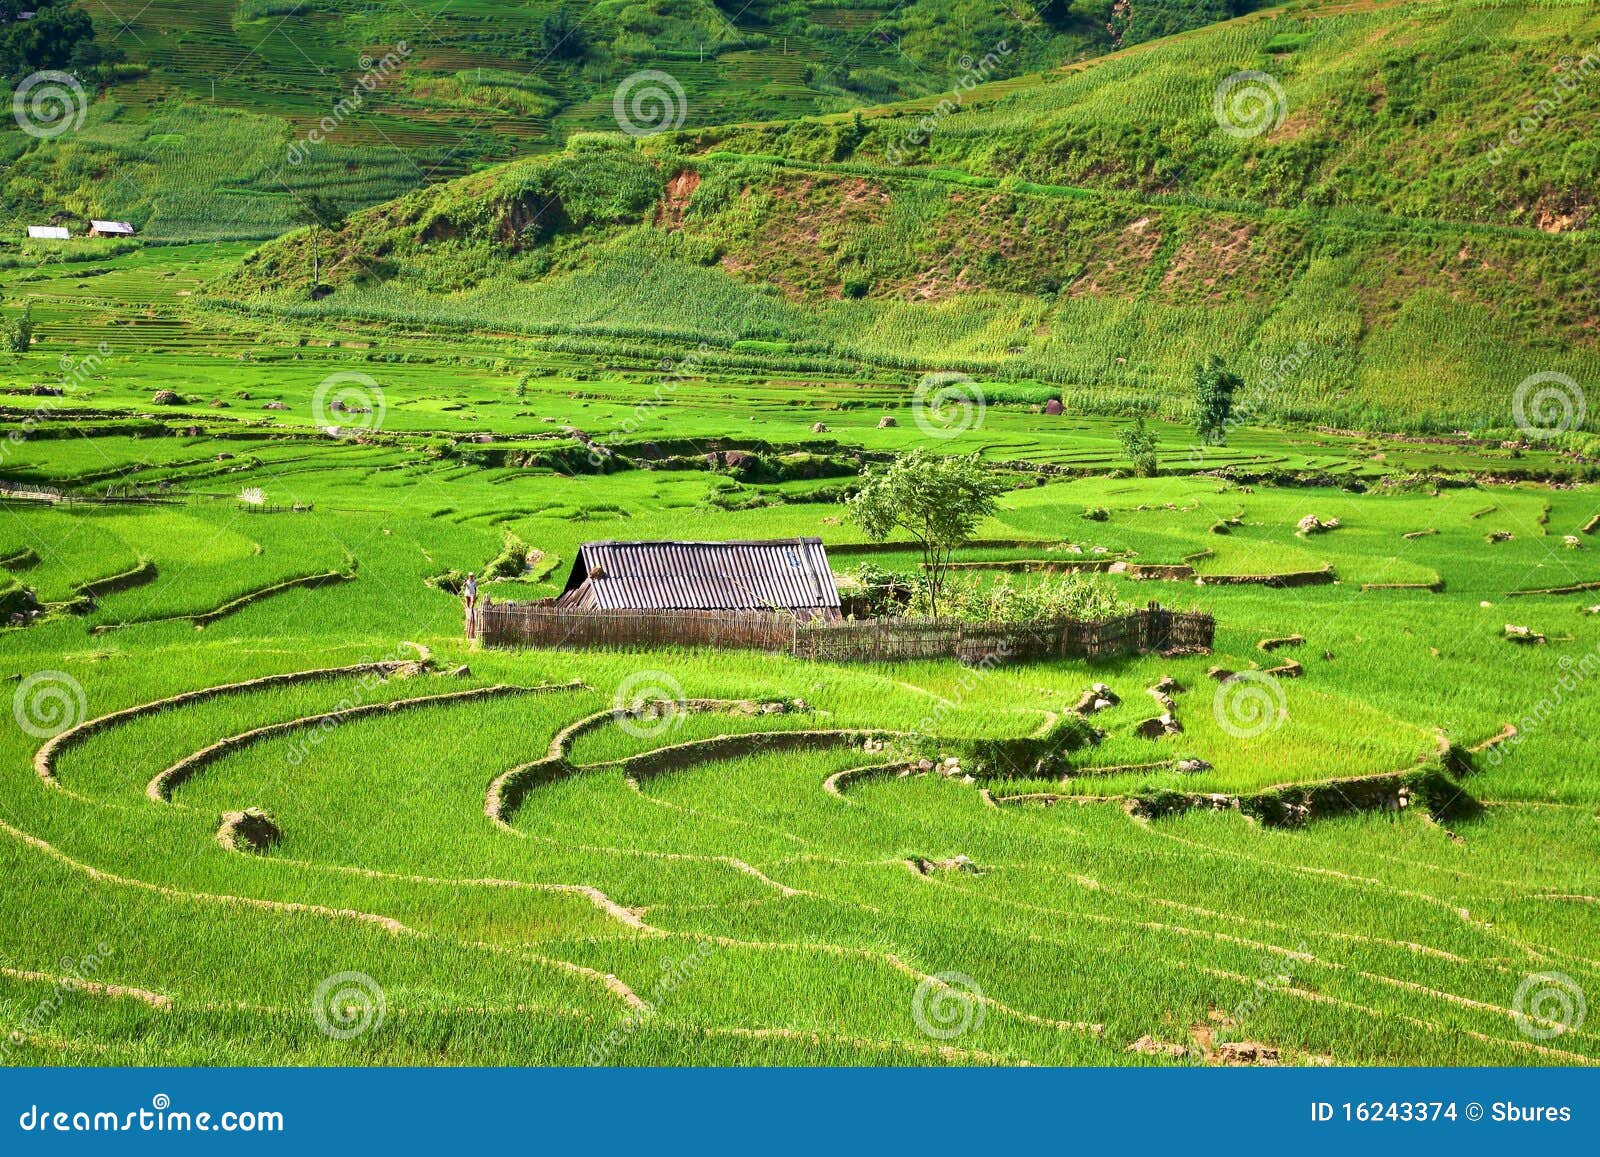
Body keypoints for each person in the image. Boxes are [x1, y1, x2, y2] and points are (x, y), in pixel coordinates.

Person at [463, 572, 478, 640]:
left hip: (472, 593)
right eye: (470, 576)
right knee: (467, 602)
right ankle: (468, 609)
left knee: (472, 601)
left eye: (472, 576)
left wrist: (475, 594)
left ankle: (471, 608)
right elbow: (464, 586)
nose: (471, 577)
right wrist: (465, 583)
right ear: (468, 576)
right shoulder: (467, 581)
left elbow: (475, 588)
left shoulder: (474, 582)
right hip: (467, 593)